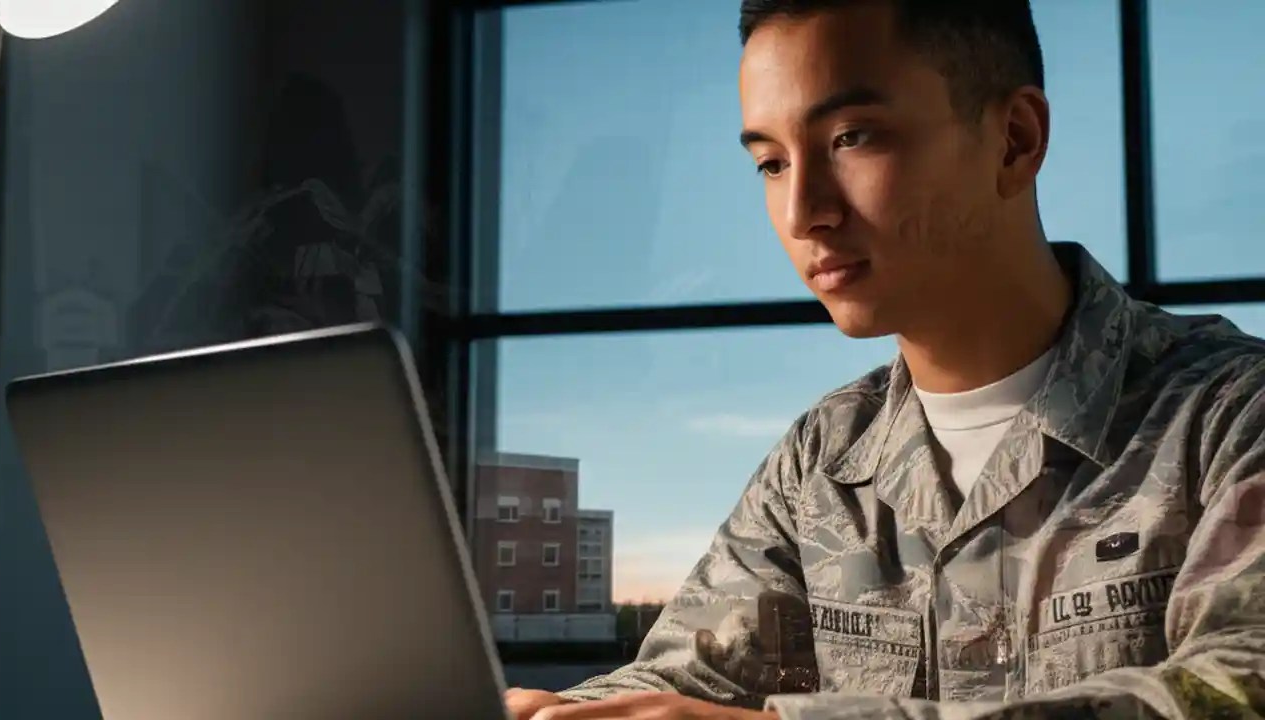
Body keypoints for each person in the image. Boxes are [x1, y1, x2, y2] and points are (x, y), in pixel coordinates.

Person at [506, 0, 1265, 718]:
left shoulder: (1232, 418)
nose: (804, 212)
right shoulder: (822, 463)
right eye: (770, 163)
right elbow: (683, 681)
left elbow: (1238, 692)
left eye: (852, 138)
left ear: (1014, 139)